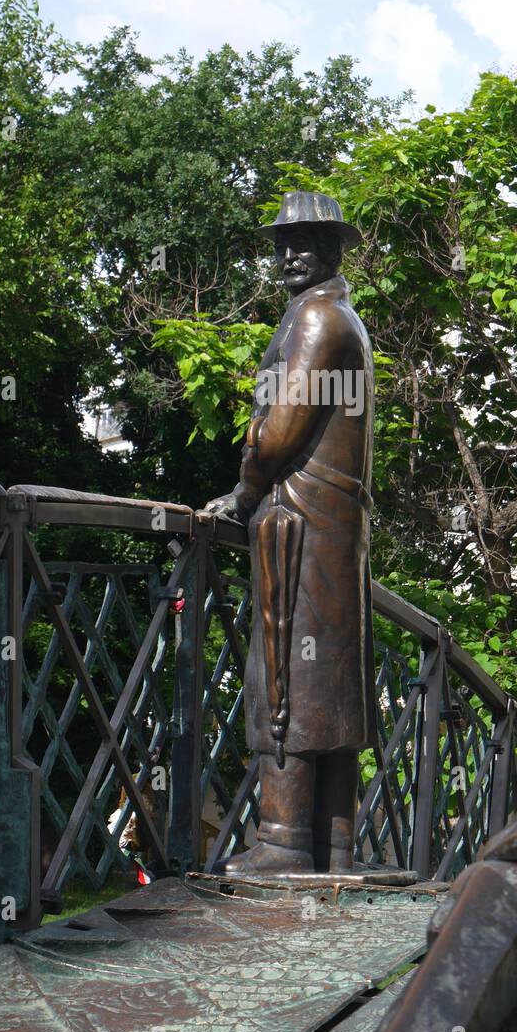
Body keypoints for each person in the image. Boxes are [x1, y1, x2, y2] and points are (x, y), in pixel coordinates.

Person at [204, 191, 375, 873]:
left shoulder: (315, 319)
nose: (289, 254)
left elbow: (277, 434)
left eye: (305, 241)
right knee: (327, 674)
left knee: (286, 672)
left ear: (334, 248)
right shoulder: (345, 318)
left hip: (298, 521)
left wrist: (244, 493)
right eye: (282, 243)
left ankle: (281, 841)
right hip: (333, 522)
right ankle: (330, 842)